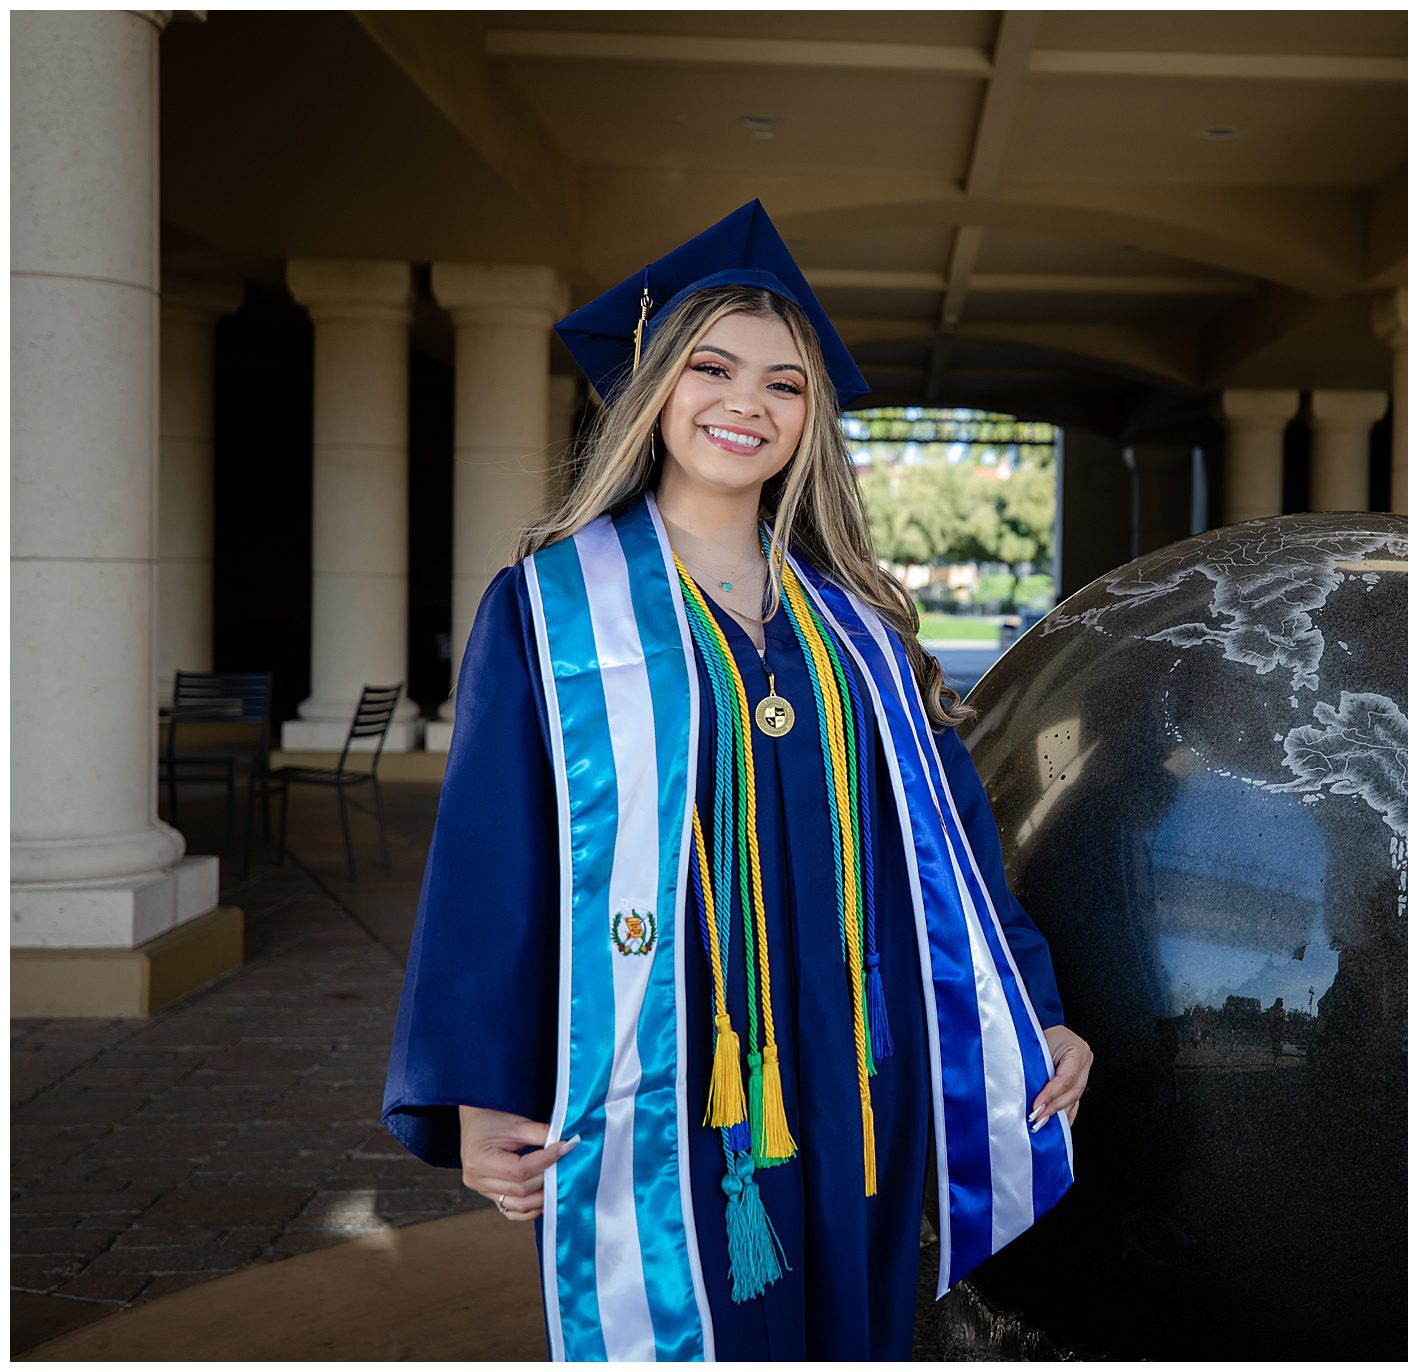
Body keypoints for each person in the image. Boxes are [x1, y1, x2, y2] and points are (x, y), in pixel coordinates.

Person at [380, 199, 1092, 1361]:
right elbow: (489, 861)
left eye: (784, 384)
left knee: (862, 1321)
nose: (744, 405)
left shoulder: (856, 627)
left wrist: (1034, 1008)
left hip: (863, 1061)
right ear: (651, 390)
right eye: (710, 368)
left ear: (812, 420)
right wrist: (475, 1087)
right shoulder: (557, 612)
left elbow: (953, 847)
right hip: (670, 1065)